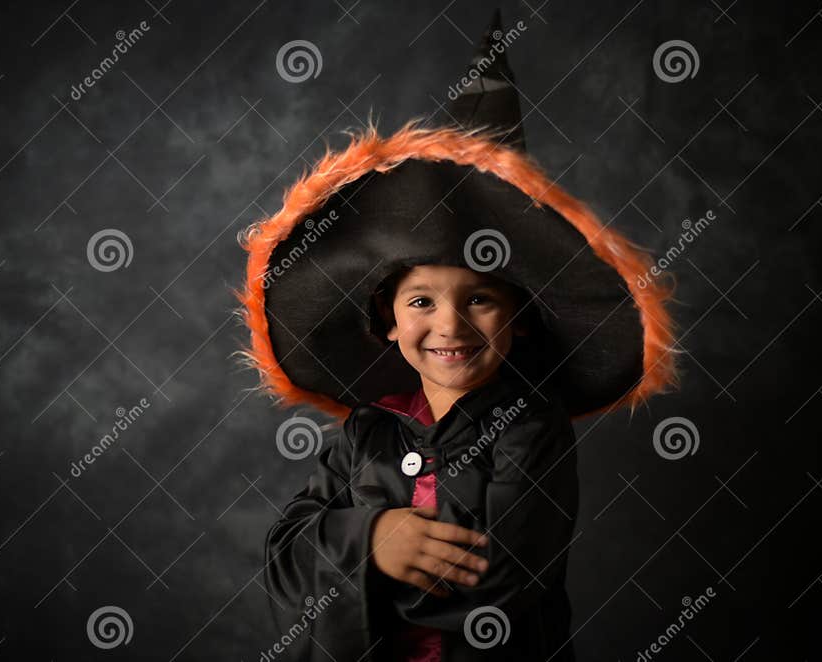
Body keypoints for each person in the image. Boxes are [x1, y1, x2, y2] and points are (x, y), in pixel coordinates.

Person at [233, 10, 680, 661]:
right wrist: (374, 539)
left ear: (519, 316)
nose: (450, 325)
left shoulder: (530, 428)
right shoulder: (368, 431)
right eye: (422, 300)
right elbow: (285, 556)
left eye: (481, 299)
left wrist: (361, 570)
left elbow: (499, 586)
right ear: (388, 321)